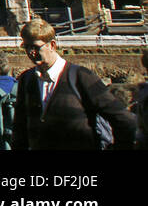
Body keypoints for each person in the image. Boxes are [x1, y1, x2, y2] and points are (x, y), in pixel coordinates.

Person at [12, 19, 136, 150]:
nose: (31, 52)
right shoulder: (26, 79)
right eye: (27, 47)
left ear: (52, 45)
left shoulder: (82, 77)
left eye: (36, 47)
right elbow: (19, 129)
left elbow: (124, 120)